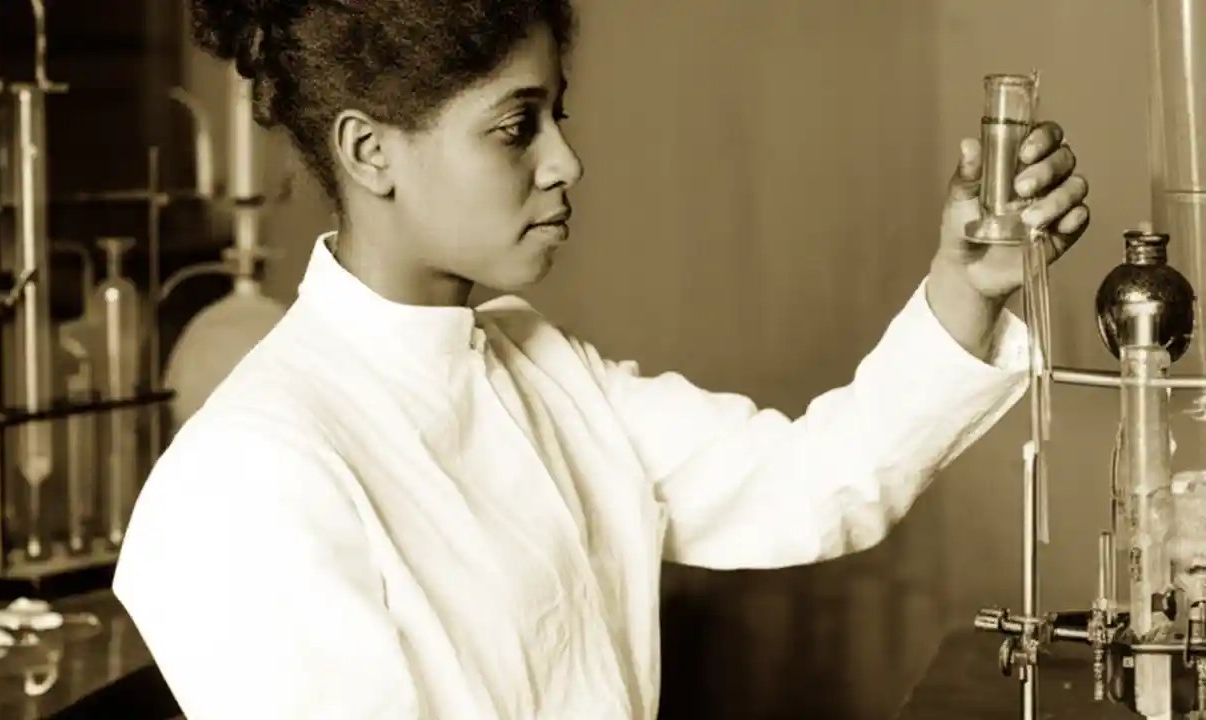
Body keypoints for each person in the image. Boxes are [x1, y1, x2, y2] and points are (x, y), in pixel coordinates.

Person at [113, 1, 1091, 718]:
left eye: (555, 115)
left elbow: (809, 483)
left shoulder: (533, 364)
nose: (563, 162)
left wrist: (967, 284)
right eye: (512, 126)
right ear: (370, 154)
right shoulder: (246, 480)